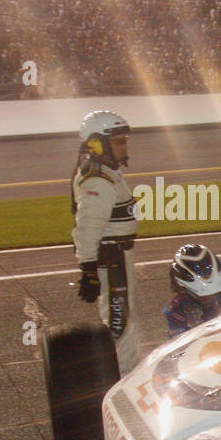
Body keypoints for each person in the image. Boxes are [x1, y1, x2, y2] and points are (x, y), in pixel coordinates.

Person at [71, 109, 142, 372]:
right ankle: (122, 380)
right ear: (96, 142)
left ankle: (126, 375)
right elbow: (88, 227)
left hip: (117, 258)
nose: (124, 146)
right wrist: (88, 268)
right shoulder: (98, 179)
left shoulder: (107, 172)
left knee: (125, 321)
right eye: (118, 141)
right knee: (119, 325)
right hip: (112, 261)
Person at [163, 244, 221, 337]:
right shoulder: (176, 311)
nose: (208, 299)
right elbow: (181, 346)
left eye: (214, 294)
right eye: (202, 297)